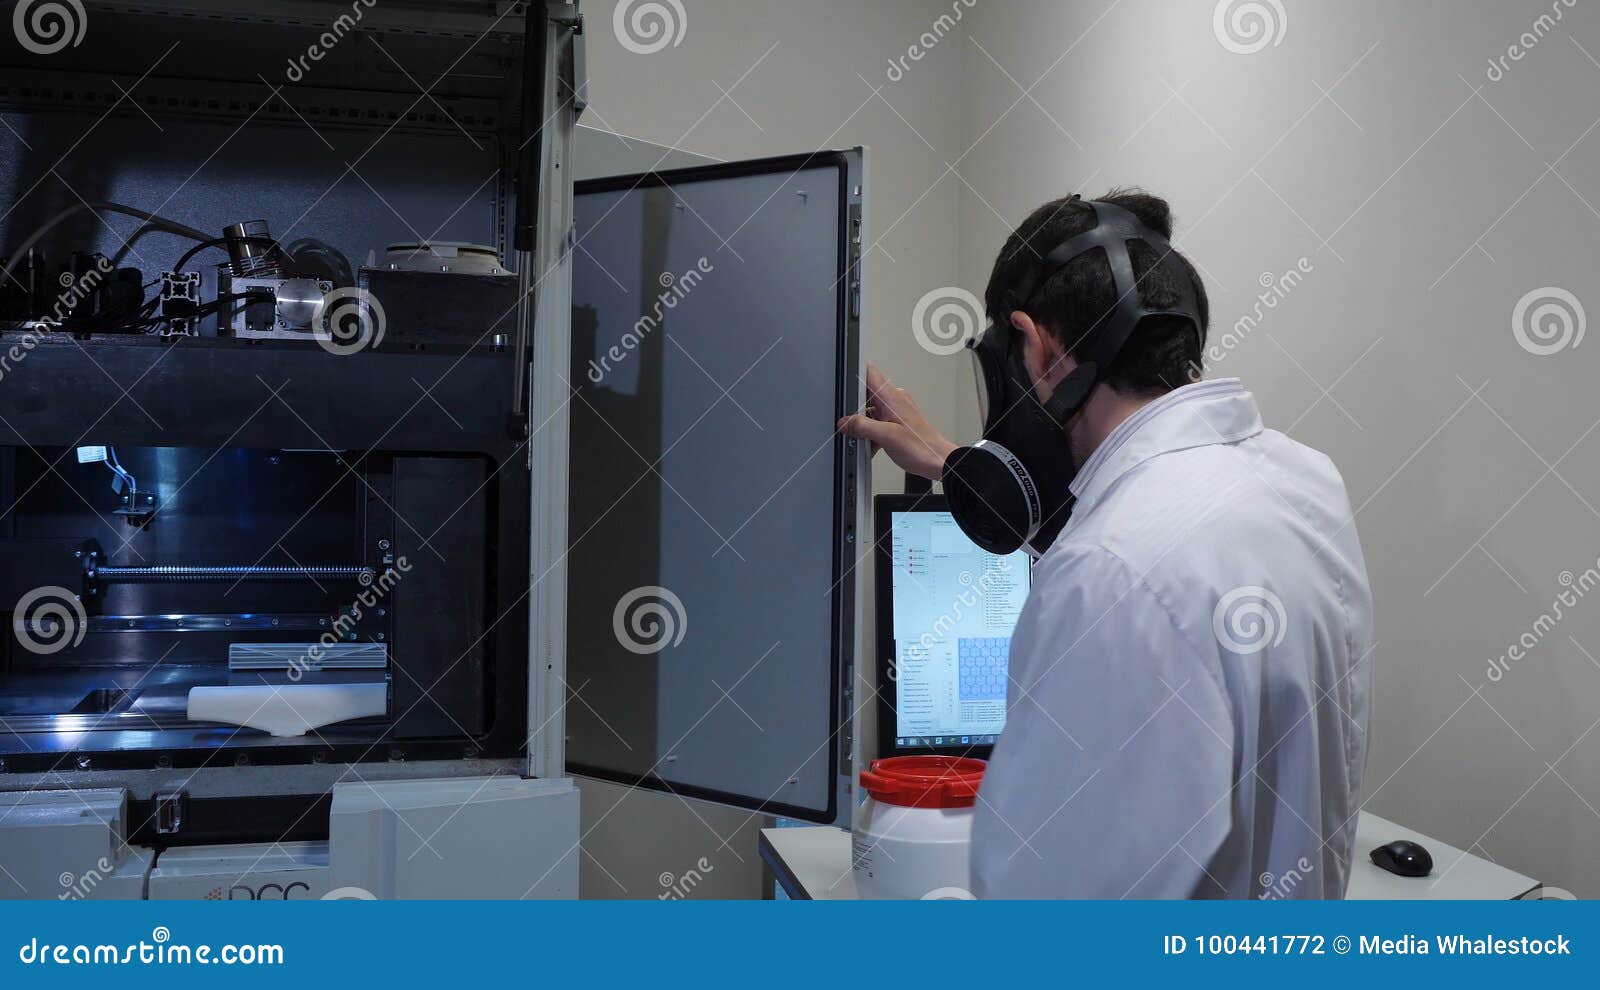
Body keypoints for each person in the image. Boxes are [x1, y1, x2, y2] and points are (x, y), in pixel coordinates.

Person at [839, 189, 1373, 898]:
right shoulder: (1303, 484)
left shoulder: (1105, 574)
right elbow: (1150, 528)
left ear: (1033, 344)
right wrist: (949, 463)